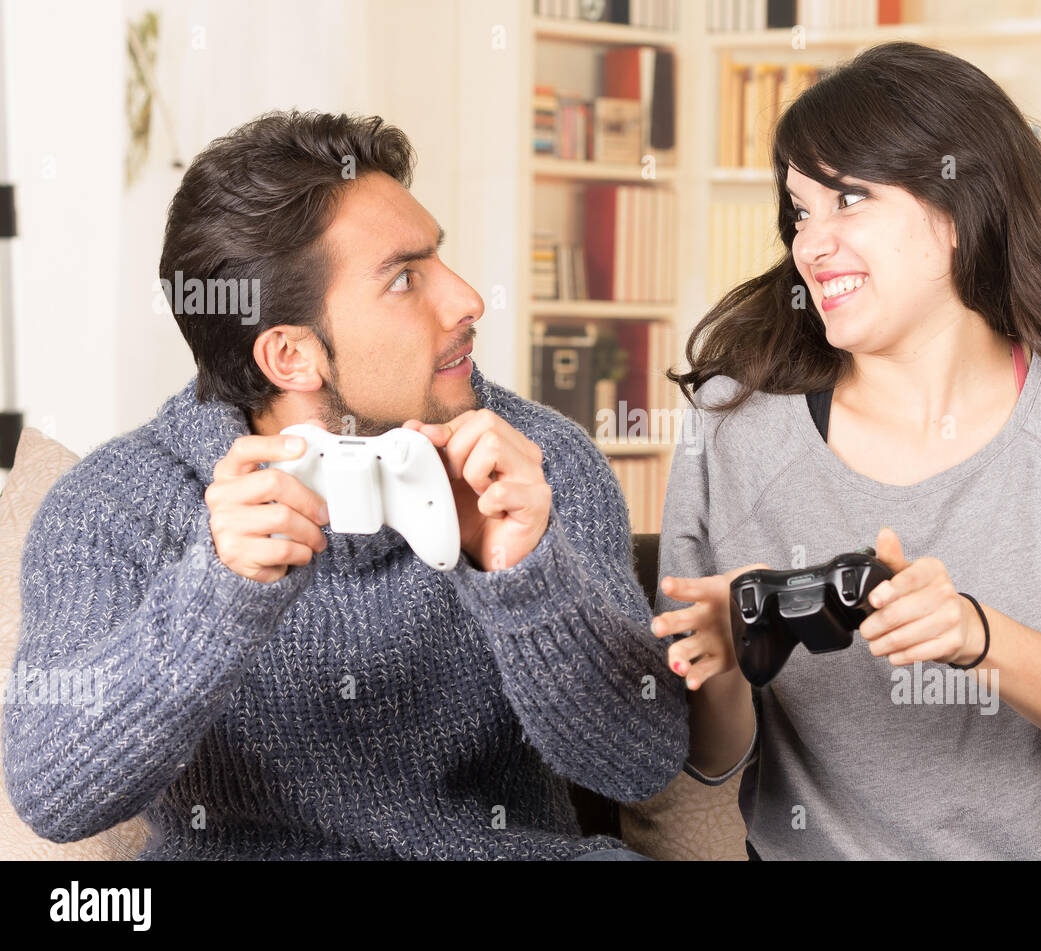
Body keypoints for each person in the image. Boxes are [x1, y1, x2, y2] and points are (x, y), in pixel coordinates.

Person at [2, 111, 685, 860]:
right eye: (405, 279)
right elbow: (52, 794)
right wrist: (216, 595)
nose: (467, 300)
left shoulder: (537, 460)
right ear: (291, 356)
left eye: (440, 260)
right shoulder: (113, 506)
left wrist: (522, 575)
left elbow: (639, 763)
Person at [651, 42, 1041, 860]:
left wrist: (971, 631)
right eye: (800, 212)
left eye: (847, 199)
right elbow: (711, 755)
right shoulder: (735, 425)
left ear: (956, 209)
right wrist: (725, 658)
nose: (810, 243)